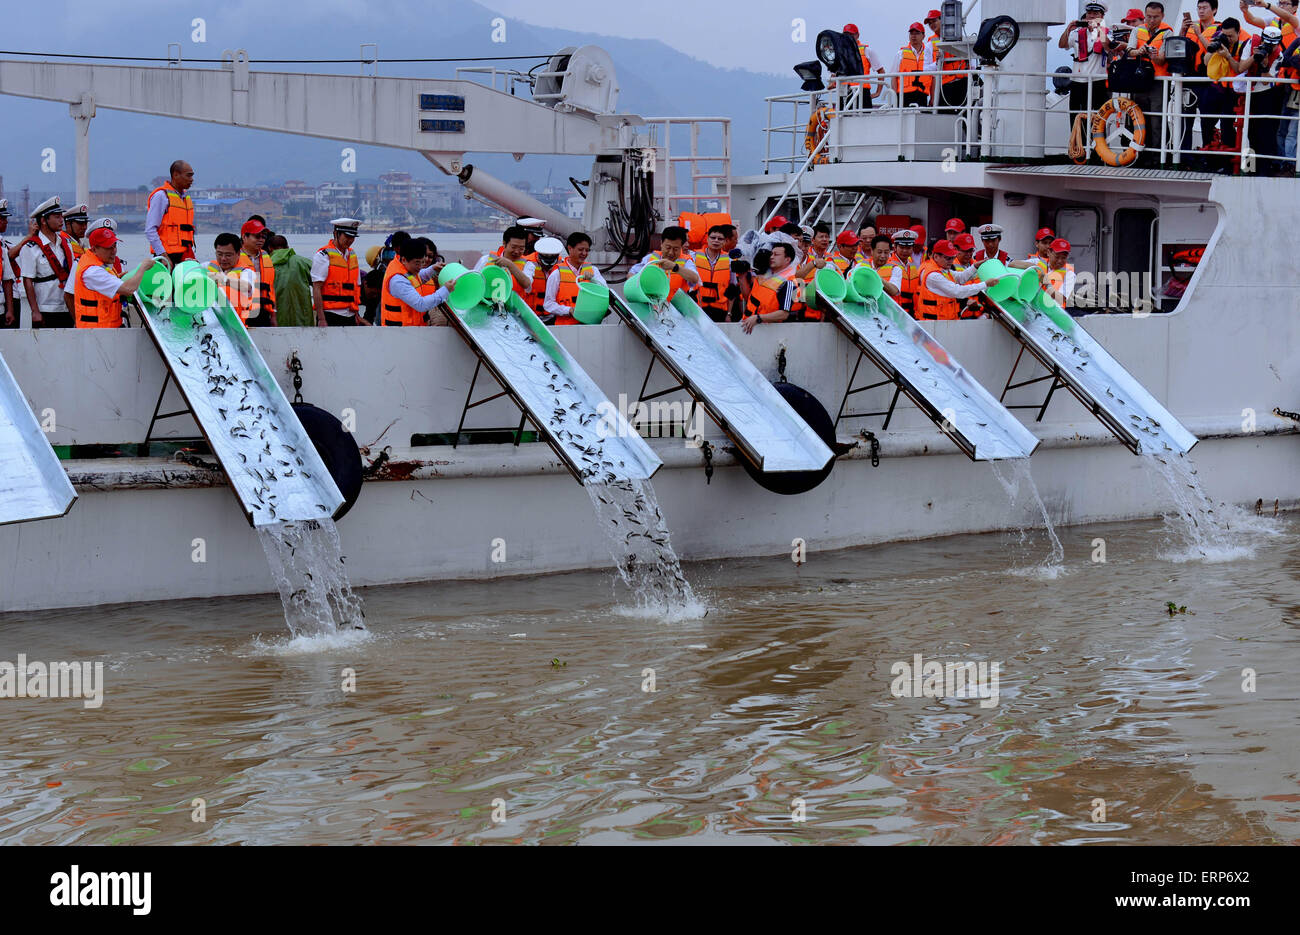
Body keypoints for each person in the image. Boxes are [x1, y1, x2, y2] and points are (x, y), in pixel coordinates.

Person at [68, 221, 161, 329]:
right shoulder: (92, 271)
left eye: (114, 246)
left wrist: (118, 279)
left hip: (107, 329)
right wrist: (143, 268)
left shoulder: (94, 261)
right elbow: (128, 289)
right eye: (108, 248)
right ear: (94, 249)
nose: (113, 251)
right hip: (96, 332)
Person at [19, 197, 75, 329]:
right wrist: (35, 311)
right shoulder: (31, 248)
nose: (61, 220)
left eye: (61, 216)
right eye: (56, 217)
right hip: (45, 308)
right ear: (43, 220)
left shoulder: (66, 244)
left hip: (66, 307)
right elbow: (28, 280)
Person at [1131, 3, 1175, 165]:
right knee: (1139, 119)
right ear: (1144, 15)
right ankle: (1141, 155)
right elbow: (1130, 50)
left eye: (1155, 17)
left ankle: (1158, 157)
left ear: (1162, 16)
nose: (1151, 20)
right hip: (1140, 81)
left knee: (1157, 120)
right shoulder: (1137, 30)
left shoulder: (1168, 33)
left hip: (1158, 82)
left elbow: (1162, 59)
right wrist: (1139, 51)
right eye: (1148, 16)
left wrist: (1153, 56)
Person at [380, 238, 459, 327]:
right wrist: (446, 290)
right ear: (404, 260)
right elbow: (421, 305)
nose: (420, 267)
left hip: (412, 329)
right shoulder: (398, 281)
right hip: (399, 332)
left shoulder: (403, 266)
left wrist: (432, 269)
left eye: (423, 262)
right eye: (417, 263)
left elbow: (415, 278)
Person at [1060, 3, 1115, 131]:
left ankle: (1096, 150)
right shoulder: (1077, 33)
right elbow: (1062, 45)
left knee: (1097, 120)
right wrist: (1068, 28)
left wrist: (1098, 28)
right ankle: (1077, 149)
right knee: (1076, 119)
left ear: (1102, 16)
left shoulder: (1107, 33)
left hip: (1097, 82)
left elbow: (1108, 46)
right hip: (1077, 82)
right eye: (1089, 13)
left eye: (1095, 14)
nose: (1091, 16)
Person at [915, 240, 1000, 320]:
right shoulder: (933, 275)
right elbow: (957, 291)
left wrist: (975, 266)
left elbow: (960, 277)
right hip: (933, 324)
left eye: (952, 257)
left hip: (942, 321)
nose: (951, 261)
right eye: (948, 258)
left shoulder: (942, 269)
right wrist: (985, 284)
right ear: (936, 256)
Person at [543, 232, 608, 325]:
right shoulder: (557, 274)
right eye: (581, 250)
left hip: (590, 325)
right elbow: (548, 304)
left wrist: (593, 280)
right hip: (565, 328)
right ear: (570, 248)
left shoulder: (593, 271)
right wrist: (568, 310)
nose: (584, 253)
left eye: (587, 250)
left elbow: (605, 291)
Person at [311, 218, 364, 327]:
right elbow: (316, 288)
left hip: (350, 315)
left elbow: (356, 287)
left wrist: (356, 313)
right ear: (336, 233)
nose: (350, 240)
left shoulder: (352, 255)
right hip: (330, 314)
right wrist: (321, 318)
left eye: (353, 237)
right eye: (347, 236)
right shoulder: (323, 255)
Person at [740, 242, 800, 332]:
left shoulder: (788, 283)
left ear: (787, 260)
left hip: (768, 331)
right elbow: (749, 298)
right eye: (771, 254)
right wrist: (742, 277)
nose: (772, 257)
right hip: (748, 325)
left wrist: (758, 318)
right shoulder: (763, 275)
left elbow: (784, 314)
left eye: (776, 255)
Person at [629, 227, 701, 300]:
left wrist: (675, 267)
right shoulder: (651, 258)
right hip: (651, 305)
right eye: (668, 247)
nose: (671, 253)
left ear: (681, 247)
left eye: (675, 249)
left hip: (674, 308)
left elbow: (694, 279)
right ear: (661, 244)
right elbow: (632, 273)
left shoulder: (686, 261)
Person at [145, 160, 196, 264]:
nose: (191, 179)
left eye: (192, 176)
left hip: (185, 255)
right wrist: (163, 255)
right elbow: (150, 229)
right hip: (166, 257)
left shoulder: (186, 198)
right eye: (188, 176)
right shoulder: (161, 196)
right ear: (176, 175)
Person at [263, 234, 314, 327]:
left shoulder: (265, 265)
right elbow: (319, 282)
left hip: (277, 319)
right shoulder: (302, 262)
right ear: (287, 247)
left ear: (270, 248)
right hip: (303, 318)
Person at [474, 225, 535, 300]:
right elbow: (474, 280)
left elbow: (527, 285)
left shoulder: (528, 264)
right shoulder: (486, 259)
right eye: (513, 247)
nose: (517, 251)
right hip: (486, 305)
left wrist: (510, 265)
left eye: (521, 248)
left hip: (513, 308)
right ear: (504, 243)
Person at [206, 232, 256, 321]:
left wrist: (223, 279)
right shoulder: (208, 266)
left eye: (228, 255)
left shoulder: (246, 272)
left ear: (238, 254)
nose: (223, 258)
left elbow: (246, 286)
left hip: (235, 327)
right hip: (212, 323)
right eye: (219, 254)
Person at [926, 8, 970, 110]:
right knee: (946, 116)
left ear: (942, 20)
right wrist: (937, 63)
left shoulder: (960, 38)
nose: (932, 25)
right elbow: (926, 69)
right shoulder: (930, 45)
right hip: (945, 86)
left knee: (965, 115)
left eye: (934, 21)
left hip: (963, 83)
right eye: (929, 23)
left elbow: (971, 61)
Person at [235, 218, 276, 326]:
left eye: (263, 237)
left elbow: (271, 288)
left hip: (263, 311)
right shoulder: (234, 257)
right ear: (244, 237)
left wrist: (273, 314)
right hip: (242, 313)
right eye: (257, 236)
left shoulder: (265, 256)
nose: (261, 240)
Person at [693, 224, 735, 321]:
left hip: (720, 311)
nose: (716, 240)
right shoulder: (694, 257)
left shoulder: (730, 261)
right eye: (713, 237)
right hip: (697, 309)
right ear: (707, 239)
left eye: (720, 239)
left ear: (725, 241)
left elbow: (732, 290)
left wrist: (729, 314)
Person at [840, 24, 886, 107]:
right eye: (846, 35)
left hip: (863, 91)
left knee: (865, 118)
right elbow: (834, 73)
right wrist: (832, 83)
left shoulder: (867, 51)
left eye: (851, 34)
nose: (848, 37)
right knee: (843, 118)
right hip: (844, 92)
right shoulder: (839, 53)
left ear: (857, 35)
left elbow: (881, 71)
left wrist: (878, 92)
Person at [894, 22, 936, 107]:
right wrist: (895, 98)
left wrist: (933, 98)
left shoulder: (929, 54)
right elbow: (893, 77)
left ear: (923, 36)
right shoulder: (901, 53)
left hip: (922, 95)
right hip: (903, 96)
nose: (914, 36)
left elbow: (933, 77)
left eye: (917, 33)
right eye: (911, 33)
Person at [889, 229, 922, 315]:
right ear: (895, 247)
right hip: (894, 311)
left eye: (908, 248)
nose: (905, 251)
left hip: (911, 312)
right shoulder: (889, 264)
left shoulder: (912, 265)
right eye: (902, 247)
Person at [530, 237, 564, 315]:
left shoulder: (562, 266)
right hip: (530, 315)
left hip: (553, 315)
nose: (548, 265)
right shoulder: (527, 264)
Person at [868, 234, 904, 299]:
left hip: (886, 308)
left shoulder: (895, 269)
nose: (883, 256)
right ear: (872, 251)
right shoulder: (861, 266)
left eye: (886, 252)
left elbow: (894, 291)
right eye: (879, 252)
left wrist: (875, 277)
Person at [1046, 238, 1077, 307]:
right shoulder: (1037, 264)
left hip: (1052, 312)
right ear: (1048, 252)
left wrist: (1045, 283)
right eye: (1057, 257)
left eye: (1063, 258)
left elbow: (1060, 299)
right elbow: (1017, 264)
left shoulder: (1069, 275)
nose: (1060, 261)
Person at [0, 200, 16, 327]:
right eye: (2, 218)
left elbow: (7, 281)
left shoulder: (2, 250)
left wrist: (9, 310)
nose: (6, 221)